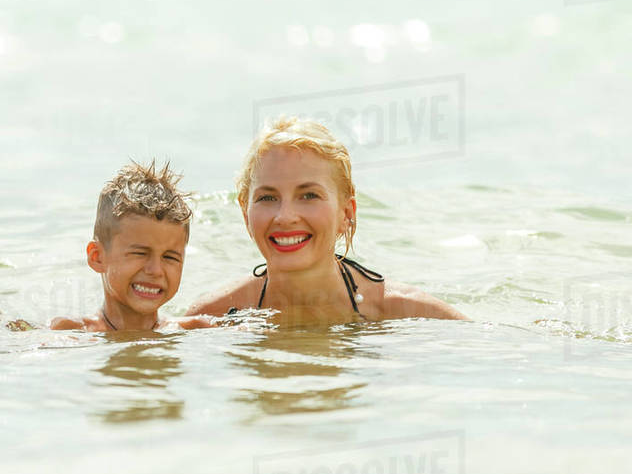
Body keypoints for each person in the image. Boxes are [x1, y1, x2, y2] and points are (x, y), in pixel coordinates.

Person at [186, 116, 467, 323]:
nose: (285, 216)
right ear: (245, 213)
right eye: (267, 198)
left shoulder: (410, 315)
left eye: (308, 195)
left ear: (347, 213)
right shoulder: (211, 319)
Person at [52, 160, 213, 332]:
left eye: (170, 257)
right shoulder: (70, 332)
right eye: (140, 253)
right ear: (97, 257)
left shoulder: (197, 330)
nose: (156, 270)